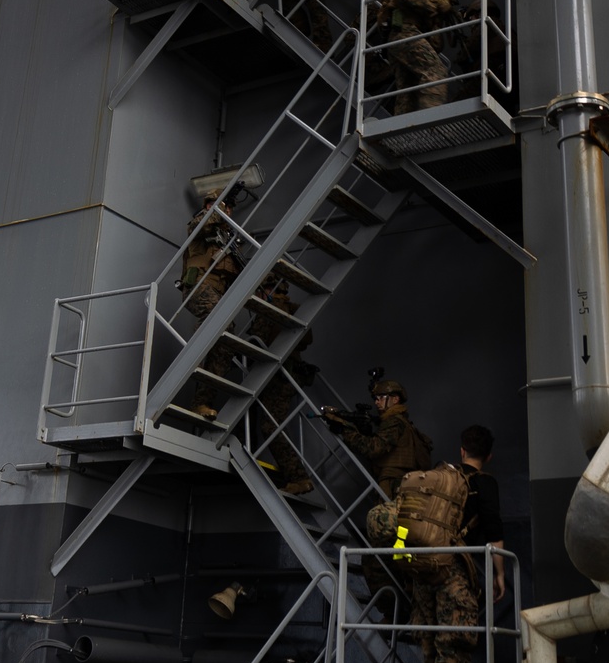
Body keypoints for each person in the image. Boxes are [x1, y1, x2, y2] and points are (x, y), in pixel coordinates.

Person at [407, 423, 505, 663]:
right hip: (454, 571)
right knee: (456, 643)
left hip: (423, 568)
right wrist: (499, 573)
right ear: (488, 456)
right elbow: (494, 533)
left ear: (461, 451)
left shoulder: (440, 480)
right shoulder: (485, 484)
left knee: (432, 641)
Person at [248, 272, 315, 495]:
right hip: (288, 374)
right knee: (255, 414)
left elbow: (256, 341)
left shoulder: (269, 310)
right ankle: (247, 451)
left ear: (266, 290)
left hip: (276, 376)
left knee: (269, 427)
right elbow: (306, 341)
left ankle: (298, 478)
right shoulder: (295, 310)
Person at [178, 192, 242, 421]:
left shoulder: (229, 238)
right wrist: (216, 209)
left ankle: (202, 402)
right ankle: (196, 351)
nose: (227, 210)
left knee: (226, 340)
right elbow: (203, 223)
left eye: (229, 207)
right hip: (198, 287)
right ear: (209, 205)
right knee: (216, 318)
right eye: (223, 205)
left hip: (219, 293)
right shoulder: (200, 224)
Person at [382, 0, 458, 114]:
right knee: (436, 72)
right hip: (405, 32)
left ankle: (402, 134)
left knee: (407, 91)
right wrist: (437, 3)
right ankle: (431, 125)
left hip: (401, 36)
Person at [323, 378, 431, 498]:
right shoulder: (402, 422)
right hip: (403, 482)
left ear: (395, 399)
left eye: (382, 398)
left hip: (393, 483)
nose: (376, 402)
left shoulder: (394, 421)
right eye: (376, 398)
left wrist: (344, 429)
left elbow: (373, 449)